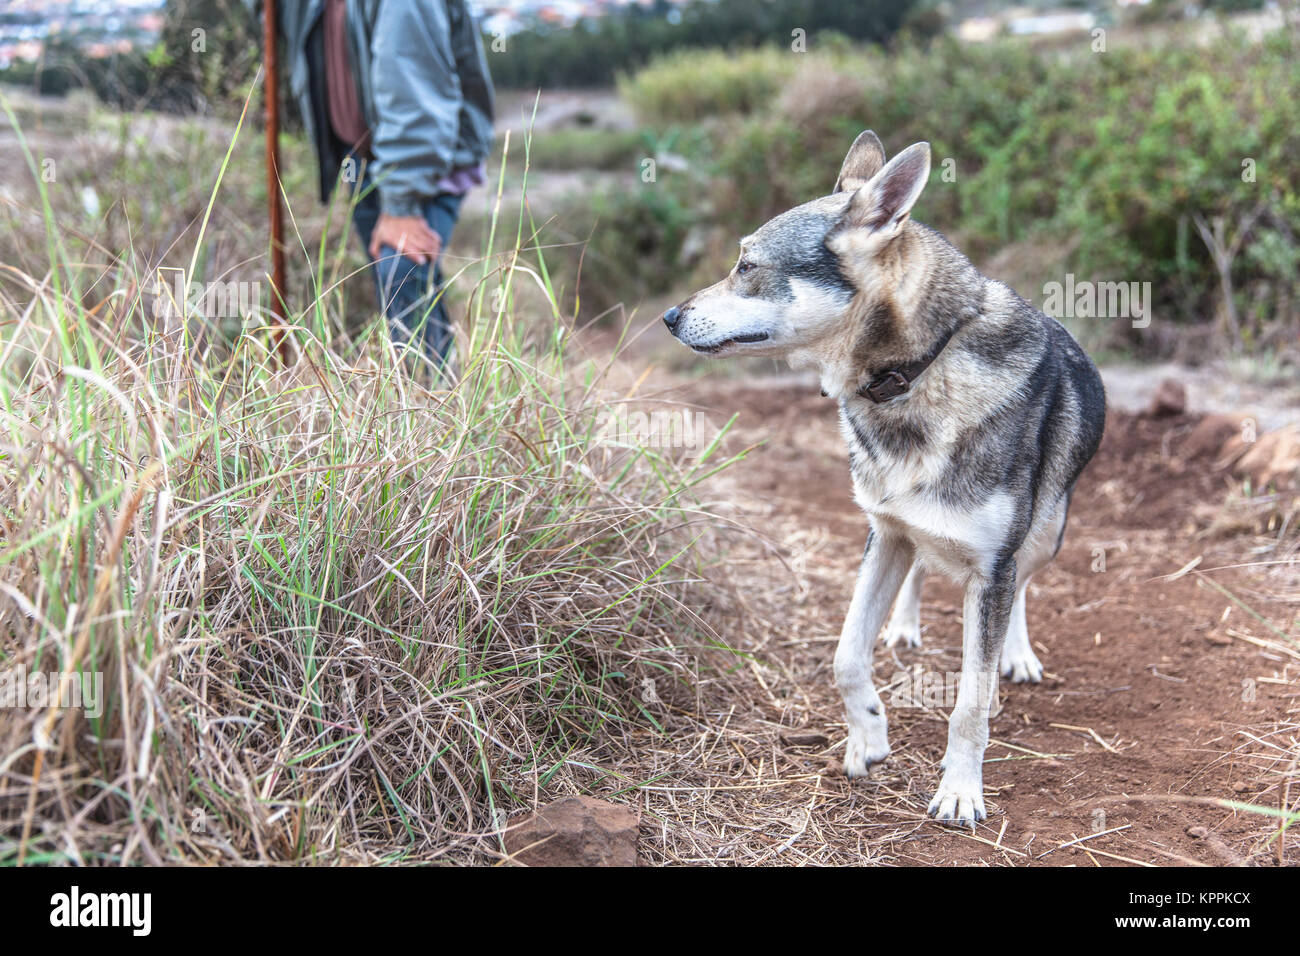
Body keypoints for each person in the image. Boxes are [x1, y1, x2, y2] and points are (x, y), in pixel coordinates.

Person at [256, 0, 495, 364]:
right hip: (364, 156)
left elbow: (412, 95)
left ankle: (420, 406)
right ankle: (441, 393)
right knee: (405, 282)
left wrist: (401, 206)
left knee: (400, 271)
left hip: (428, 152)